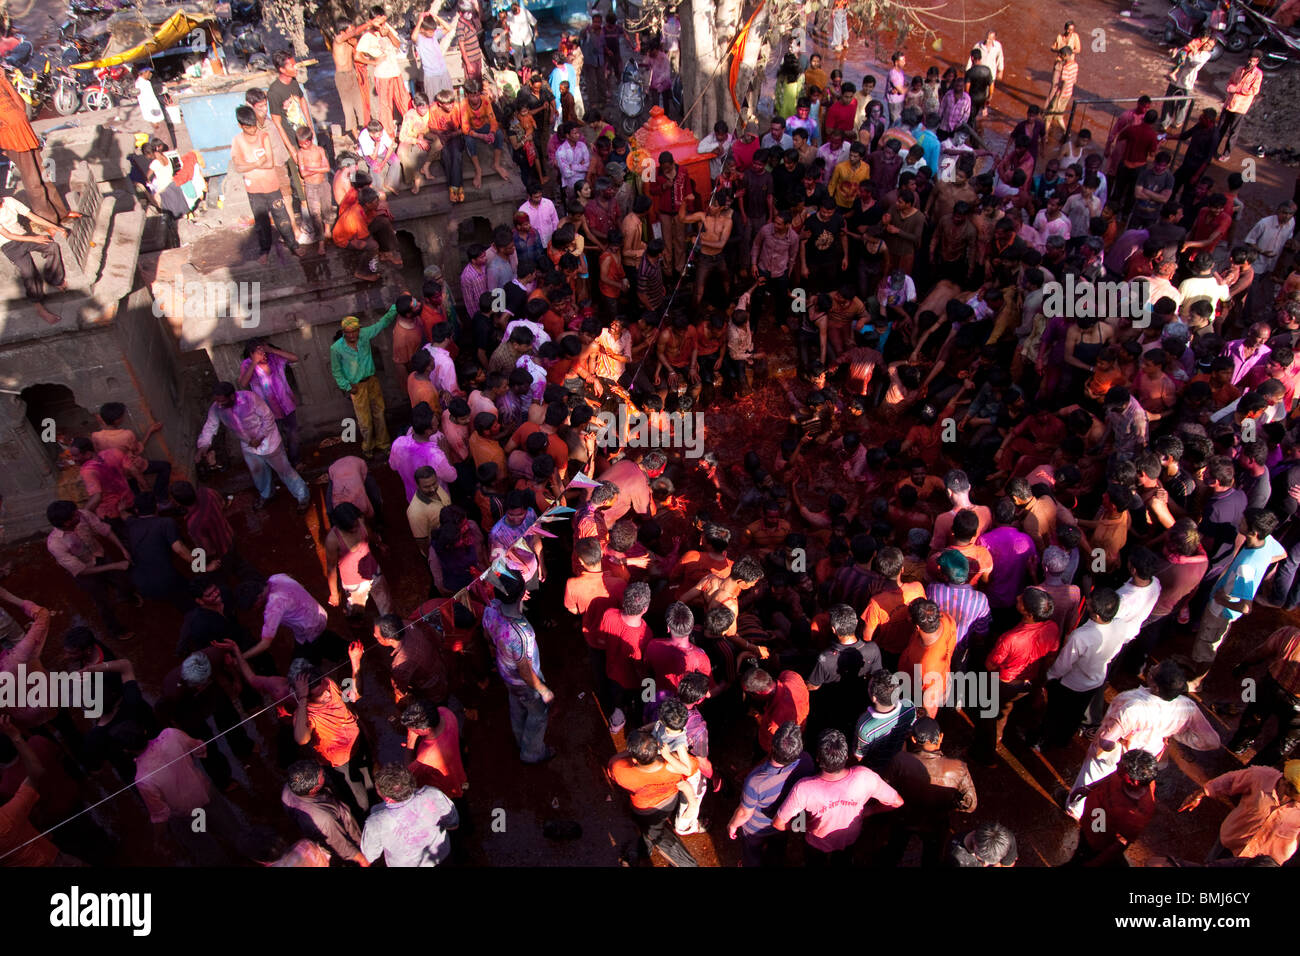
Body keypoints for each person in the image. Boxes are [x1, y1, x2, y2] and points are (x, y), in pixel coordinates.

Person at [1065, 660, 1219, 820]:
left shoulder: (1133, 706)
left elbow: (1106, 741)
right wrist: (1176, 733)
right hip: (1147, 758)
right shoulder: (1187, 706)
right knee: (1124, 789)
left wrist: (1114, 746)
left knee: (1092, 778)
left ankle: (1076, 809)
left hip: (1118, 753)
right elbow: (1212, 741)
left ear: (1156, 687)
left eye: (1153, 672)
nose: (1151, 668)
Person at [773, 728, 903, 865]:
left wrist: (802, 825)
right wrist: (870, 811)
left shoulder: (804, 788)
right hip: (849, 839)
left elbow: (778, 823)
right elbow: (897, 802)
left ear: (817, 759)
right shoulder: (865, 776)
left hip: (816, 843)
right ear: (846, 757)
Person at [195, 382, 310, 512]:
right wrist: (203, 445)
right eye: (217, 401)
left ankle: (303, 496)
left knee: (285, 471)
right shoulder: (216, 408)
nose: (219, 404)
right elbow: (210, 426)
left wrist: (260, 437)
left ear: (232, 396)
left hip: (268, 442)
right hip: (248, 446)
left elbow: (268, 418)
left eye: (222, 401)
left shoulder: (250, 399)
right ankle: (267, 495)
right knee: (258, 472)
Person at [483, 572, 553, 763]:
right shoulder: (523, 634)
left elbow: (488, 637)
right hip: (524, 681)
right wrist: (543, 690)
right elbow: (525, 671)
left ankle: (519, 739)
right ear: (523, 593)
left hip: (506, 674)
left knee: (516, 706)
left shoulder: (490, 609)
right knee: (538, 714)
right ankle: (532, 753)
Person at [609, 728, 699, 867]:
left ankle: (688, 864)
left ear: (634, 759)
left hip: (644, 810)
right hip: (669, 801)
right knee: (653, 829)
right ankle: (644, 849)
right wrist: (670, 754)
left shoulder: (620, 769)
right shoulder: (675, 766)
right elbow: (691, 765)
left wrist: (631, 752)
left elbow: (613, 764)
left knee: (658, 835)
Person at [1180, 761, 1300, 864]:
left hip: (1261, 861)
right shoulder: (1261, 776)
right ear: (1287, 784)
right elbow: (1231, 780)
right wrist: (1202, 793)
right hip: (1232, 842)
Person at [231, 105, 301, 264]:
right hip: (254, 190)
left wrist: (250, 164)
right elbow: (238, 166)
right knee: (261, 223)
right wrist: (257, 162)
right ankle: (265, 251)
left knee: (282, 217)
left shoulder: (264, 136)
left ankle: (293, 244)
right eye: (249, 128)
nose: (253, 130)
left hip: (272, 186)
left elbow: (269, 162)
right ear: (241, 126)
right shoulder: (237, 141)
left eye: (254, 126)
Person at [1067, 749, 1158, 867]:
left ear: (1133, 781)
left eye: (1121, 766)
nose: (1117, 765)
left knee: (1084, 857)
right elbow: (1112, 776)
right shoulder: (1126, 776)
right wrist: (1089, 788)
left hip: (1096, 841)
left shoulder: (1136, 814)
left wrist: (1095, 863)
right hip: (1090, 825)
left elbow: (1120, 843)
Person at [331, 308, 399, 460]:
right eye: (349, 332)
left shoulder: (364, 335)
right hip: (356, 387)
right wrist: (348, 387)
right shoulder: (336, 348)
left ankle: (384, 444)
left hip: (372, 381)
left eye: (355, 331)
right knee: (364, 421)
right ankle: (368, 447)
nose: (353, 335)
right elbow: (336, 371)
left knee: (379, 414)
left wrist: (395, 307)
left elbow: (382, 324)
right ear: (343, 332)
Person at [361, 763, 458, 866]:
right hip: (442, 858)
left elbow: (370, 855)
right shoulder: (432, 794)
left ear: (386, 796)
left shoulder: (375, 821)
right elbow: (453, 824)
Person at [0, 192, 67, 324]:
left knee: (51, 247)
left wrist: (55, 227)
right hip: (9, 245)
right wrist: (34, 238)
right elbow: (8, 235)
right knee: (28, 272)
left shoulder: (9, 201)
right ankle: (39, 307)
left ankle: (54, 279)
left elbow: (32, 216)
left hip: (24, 235)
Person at [238, 339, 301, 464]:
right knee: (275, 439)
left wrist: (272, 350)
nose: (263, 354)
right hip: (267, 411)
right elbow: (243, 383)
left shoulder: (274, 357)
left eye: (263, 351)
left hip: (286, 405)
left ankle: (295, 461)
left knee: (293, 435)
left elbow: (294, 358)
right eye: (258, 352)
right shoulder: (247, 364)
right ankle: (283, 465)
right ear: (251, 354)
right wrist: (254, 362)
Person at [1216, 52, 1262, 161]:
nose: (1250, 63)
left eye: (1253, 61)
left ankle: (1226, 154)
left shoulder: (1258, 74)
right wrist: (1230, 87)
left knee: (1233, 131)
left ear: (1257, 62)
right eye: (1250, 60)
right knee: (1220, 128)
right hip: (1229, 104)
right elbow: (1231, 81)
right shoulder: (1239, 69)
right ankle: (1213, 148)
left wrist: (1236, 89)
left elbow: (1254, 90)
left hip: (1240, 107)